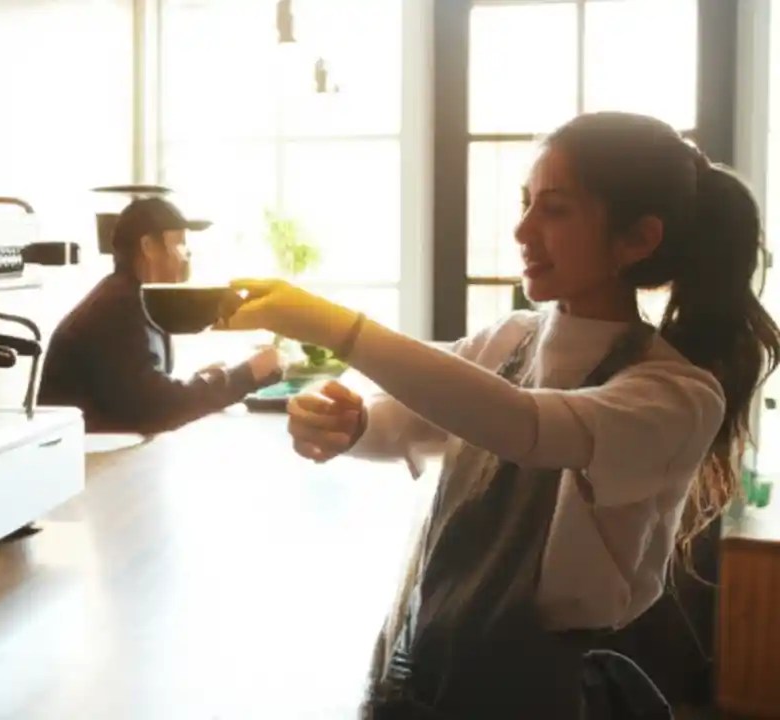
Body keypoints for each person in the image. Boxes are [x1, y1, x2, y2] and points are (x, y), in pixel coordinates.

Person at [222, 111, 780, 719]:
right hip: (430, 655)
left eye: (555, 209)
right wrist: (350, 424)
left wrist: (338, 327)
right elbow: (409, 420)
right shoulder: (509, 339)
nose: (522, 229)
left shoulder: (674, 393)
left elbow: (527, 427)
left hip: (550, 689)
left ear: (637, 239)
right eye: (525, 203)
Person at [38, 196, 282, 434]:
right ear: (148, 247)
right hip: (85, 463)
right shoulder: (117, 308)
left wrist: (204, 380)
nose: (187, 253)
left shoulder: (137, 298)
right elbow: (156, 409)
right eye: (179, 242)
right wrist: (246, 375)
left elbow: (138, 394)